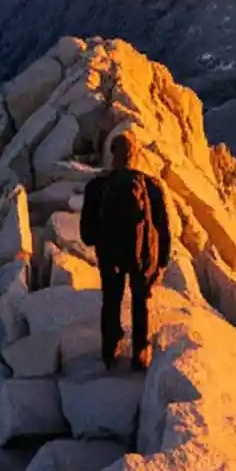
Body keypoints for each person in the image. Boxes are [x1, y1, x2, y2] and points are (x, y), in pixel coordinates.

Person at [80, 133, 171, 371]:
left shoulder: (97, 187)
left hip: (110, 255)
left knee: (111, 300)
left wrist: (103, 238)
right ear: (135, 155)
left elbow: (86, 235)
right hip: (142, 255)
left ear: (112, 154)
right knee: (140, 301)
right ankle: (140, 352)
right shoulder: (151, 186)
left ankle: (109, 351)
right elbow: (163, 227)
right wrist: (162, 260)